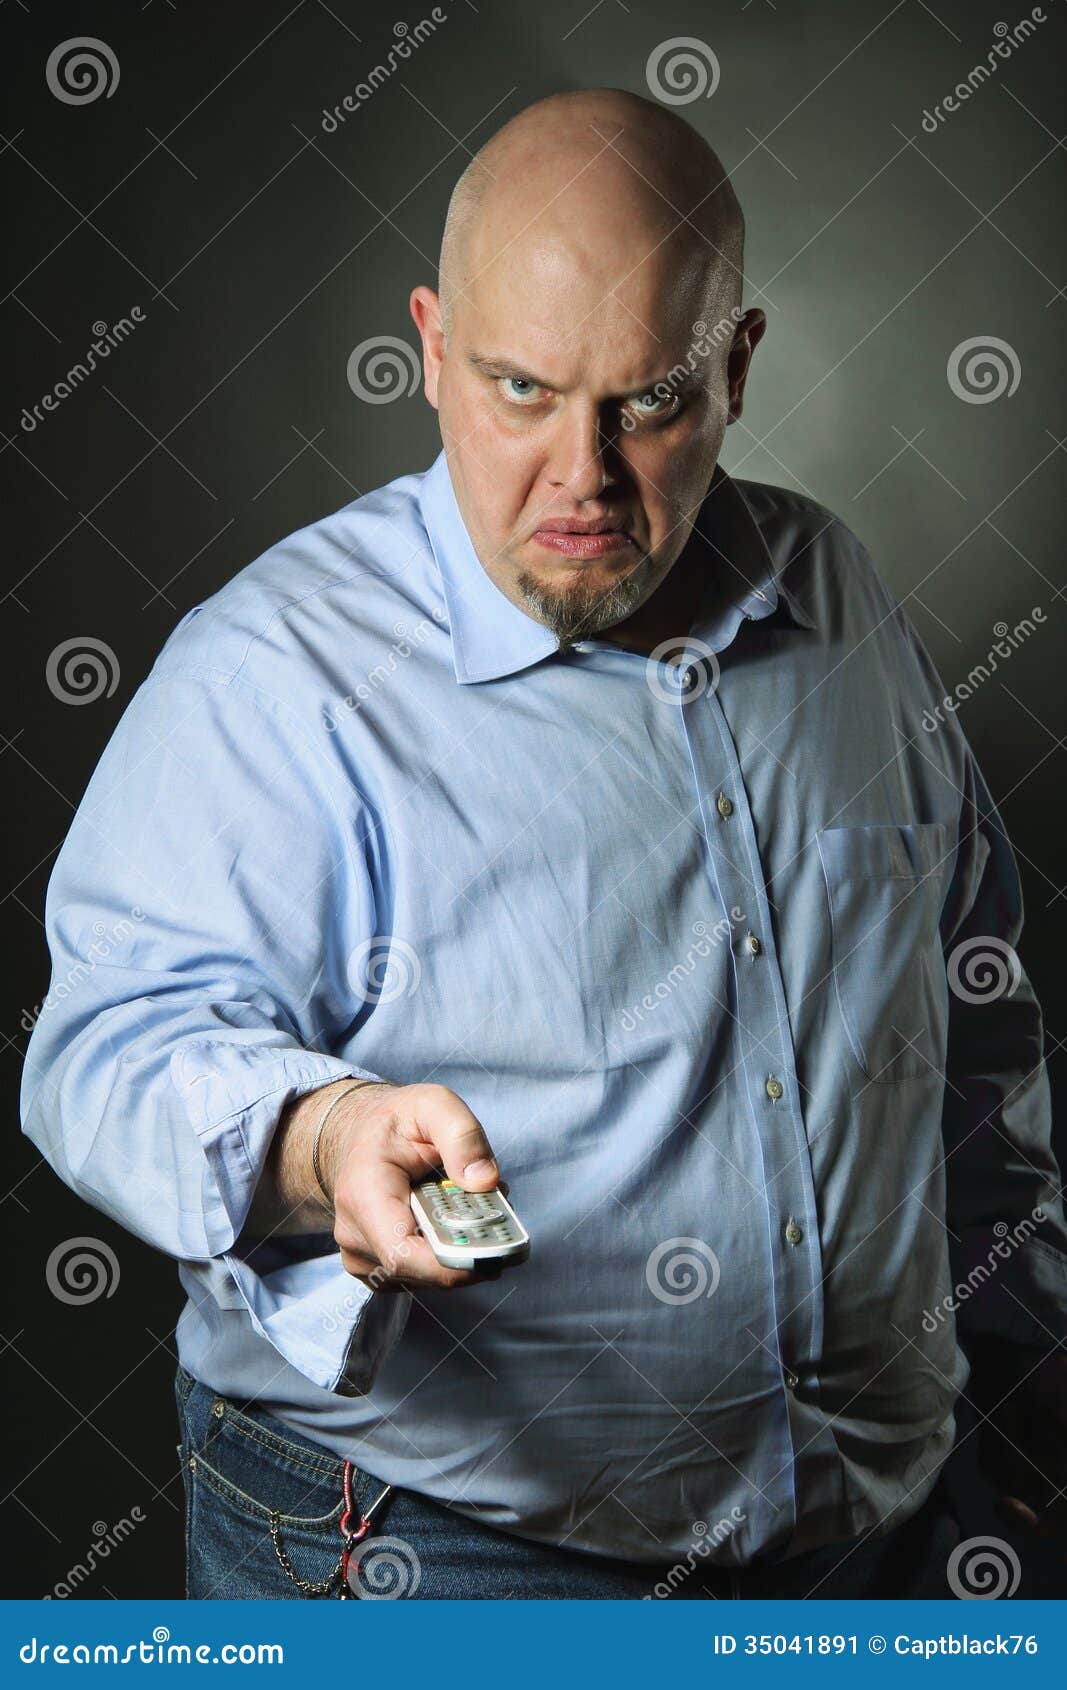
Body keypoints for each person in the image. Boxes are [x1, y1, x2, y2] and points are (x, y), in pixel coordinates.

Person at [21, 88, 1067, 1600]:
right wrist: (322, 1139)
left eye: (648, 401)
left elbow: (971, 1016)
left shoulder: (836, 597)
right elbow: (105, 1051)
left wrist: (1026, 1376)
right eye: (520, 389)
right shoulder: (275, 671)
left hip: (876, 1533)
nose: (582, 472)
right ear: (433, 349)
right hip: (438, 1551)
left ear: (737, 367)